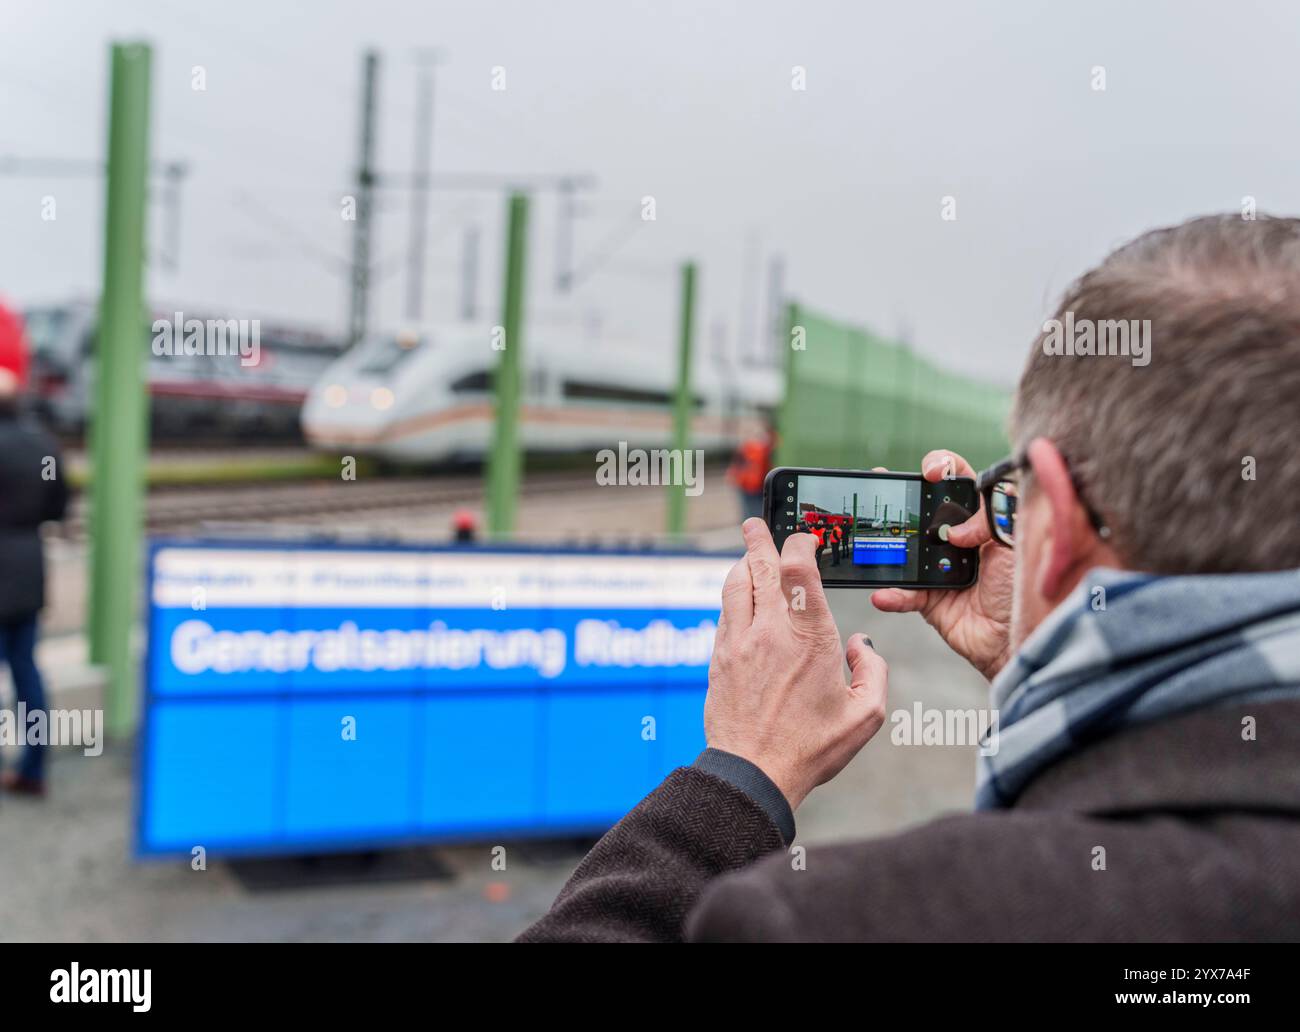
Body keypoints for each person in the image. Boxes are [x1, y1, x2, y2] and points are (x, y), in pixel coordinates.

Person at [519, 214, 1300, 942]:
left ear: (1053, 523)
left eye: (1011, 495)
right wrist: (1036, 646)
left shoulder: (839, 920)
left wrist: (743, 775)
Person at [0, 302, 69, 798]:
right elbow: (58, 506)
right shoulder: (44, 443)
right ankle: (35, 769)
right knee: (27, 673)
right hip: (28, 569)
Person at [726, 422, 775, 519]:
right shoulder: (762, 447)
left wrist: (733, 475)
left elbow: (738, 462)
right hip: (753, 484)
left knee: (750, 512)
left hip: (752, 484)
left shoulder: (750, 447)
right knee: (753, 511)